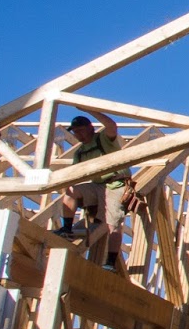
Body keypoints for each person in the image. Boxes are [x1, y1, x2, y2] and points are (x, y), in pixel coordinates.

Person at [54, 111, 133, 270]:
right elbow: (73, 174)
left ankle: (110, 262)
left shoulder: (103, 139)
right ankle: (67, 229)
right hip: (98, 186)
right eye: (75, 132)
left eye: (81, 130)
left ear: (91, 128)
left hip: (116, 185)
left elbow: (111, 125)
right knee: (70, 191)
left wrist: (88, 109)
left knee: (114, 223)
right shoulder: (80, 152)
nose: (78, 135)